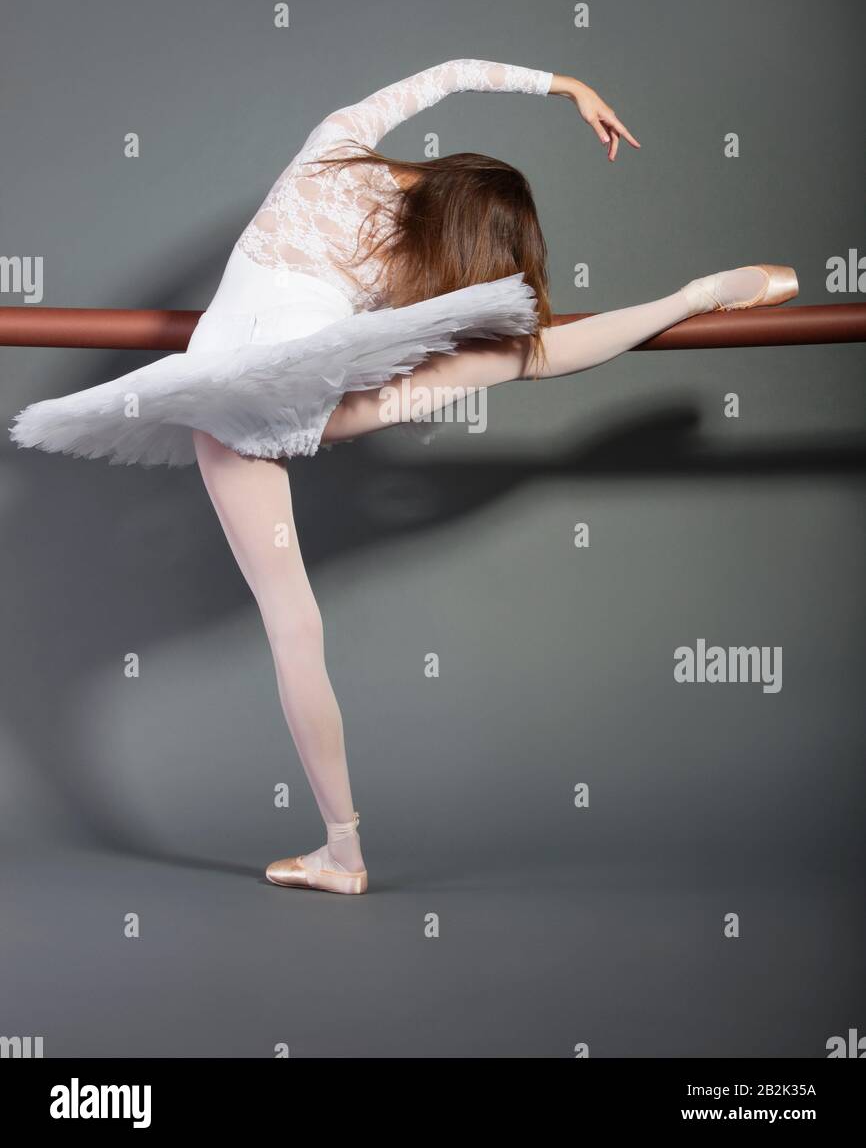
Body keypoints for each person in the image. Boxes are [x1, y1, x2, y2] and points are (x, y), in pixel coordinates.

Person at [9, 59, 798, 895]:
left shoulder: (333, 145)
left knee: (291, 623)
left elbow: (448, 73)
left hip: (222, 402)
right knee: (518, 359)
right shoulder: (403, 271)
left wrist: (565, 85)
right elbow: (527, 358)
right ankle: (701, 292)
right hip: (307, 405)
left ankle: (341, 853)